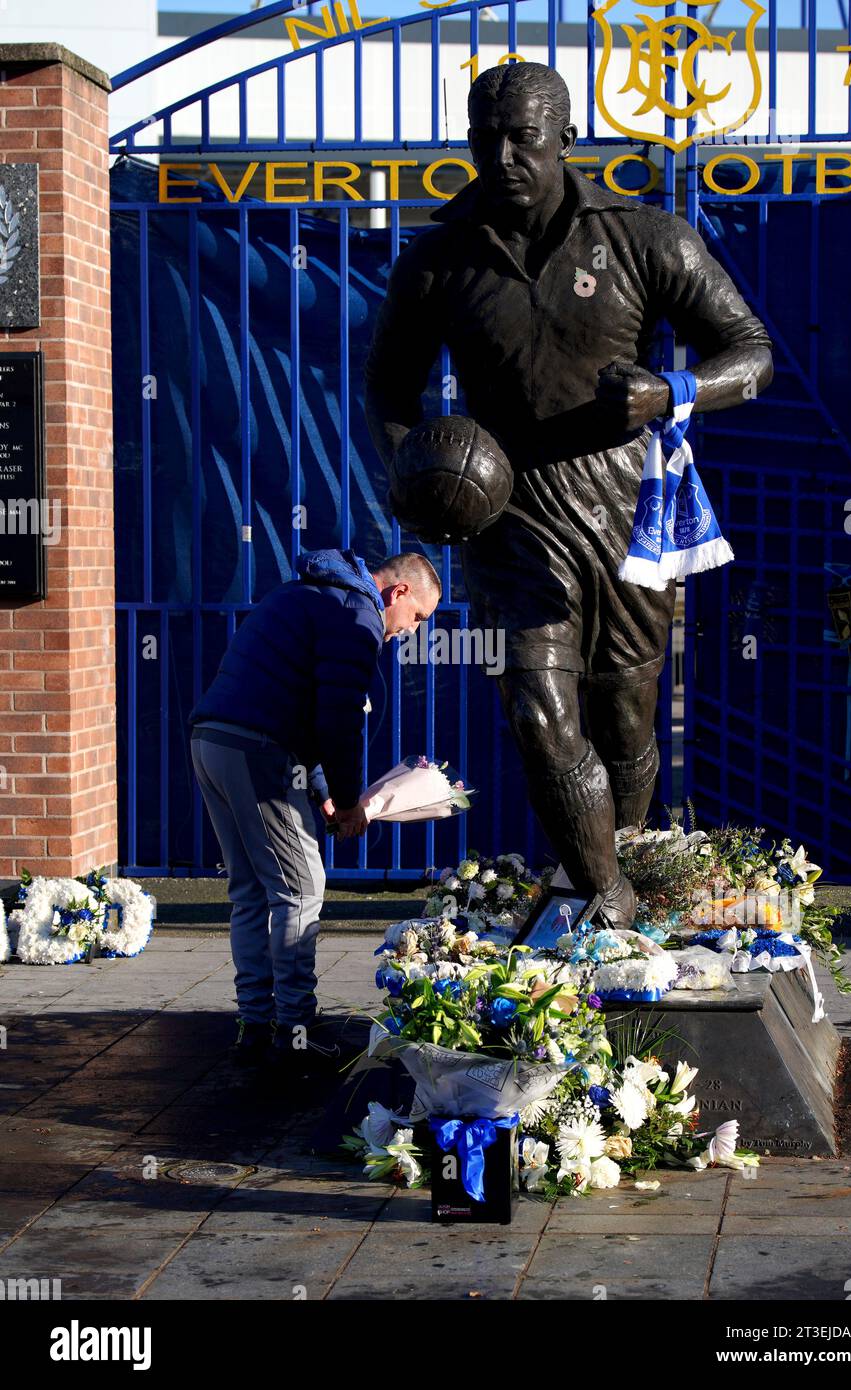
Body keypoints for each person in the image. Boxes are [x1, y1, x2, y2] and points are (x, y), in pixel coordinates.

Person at [364, 61, 773, 929]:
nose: (504, 155)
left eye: (525, 136)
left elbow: (751, 351)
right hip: (508, 515)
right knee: (538, 707)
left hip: (630, 516)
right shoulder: (438, 258)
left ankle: (619, 875)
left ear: (566, 141)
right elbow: (389, 395)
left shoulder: (645, 238)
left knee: (625, 716)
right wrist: (417, 478)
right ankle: (604, 894)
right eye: (486, 138)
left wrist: (671, 393)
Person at [188, 548, 441, 1068]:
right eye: (417, 617)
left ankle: (256, 1024)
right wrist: (348, 803)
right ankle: (296, 1028)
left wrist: (321, 787)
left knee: (252, 890)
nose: (411, 630)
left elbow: (300, 699)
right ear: (397, 592)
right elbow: (337, 719)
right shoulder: (357, 615)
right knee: (301, 887)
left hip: (212, 740)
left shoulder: (309, 593)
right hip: (258, 749)